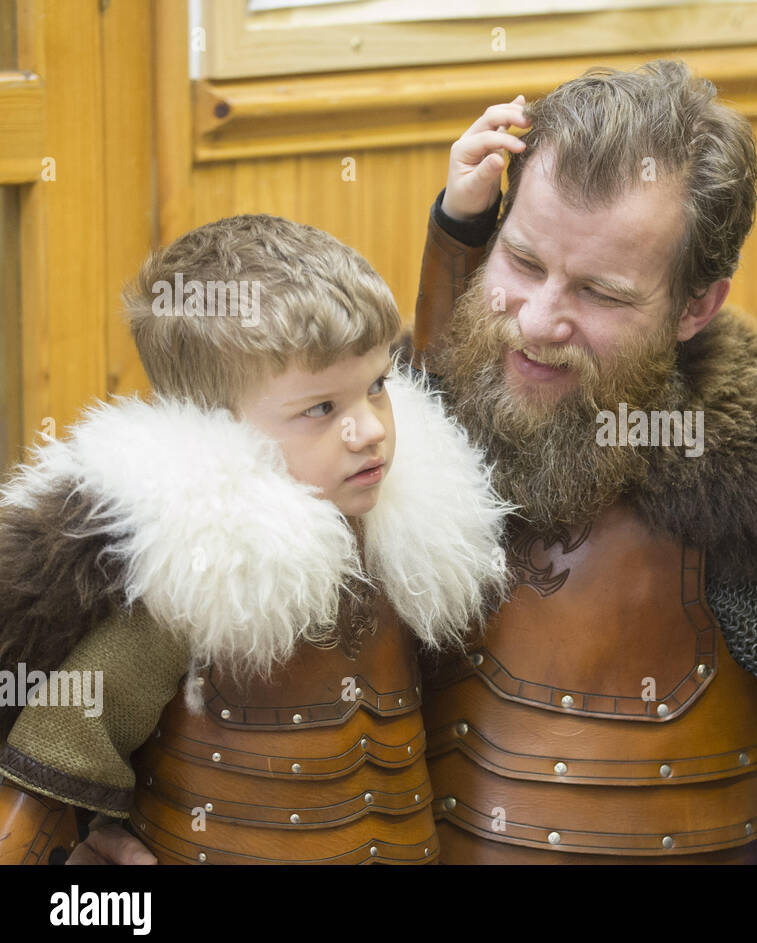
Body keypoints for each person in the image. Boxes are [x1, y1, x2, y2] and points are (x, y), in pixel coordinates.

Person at [412, 60, 757, 862]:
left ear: (696, 306)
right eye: (521, 262)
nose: (539, 321)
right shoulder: (390, 431)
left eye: (602, 294)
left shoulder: (751, 483)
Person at [0, 214, 509, 864]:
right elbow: (48, 773)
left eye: (377, 386)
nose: (370, 429)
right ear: (218, 431)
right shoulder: (196, 581)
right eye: (321, 408)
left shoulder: (416, 549)